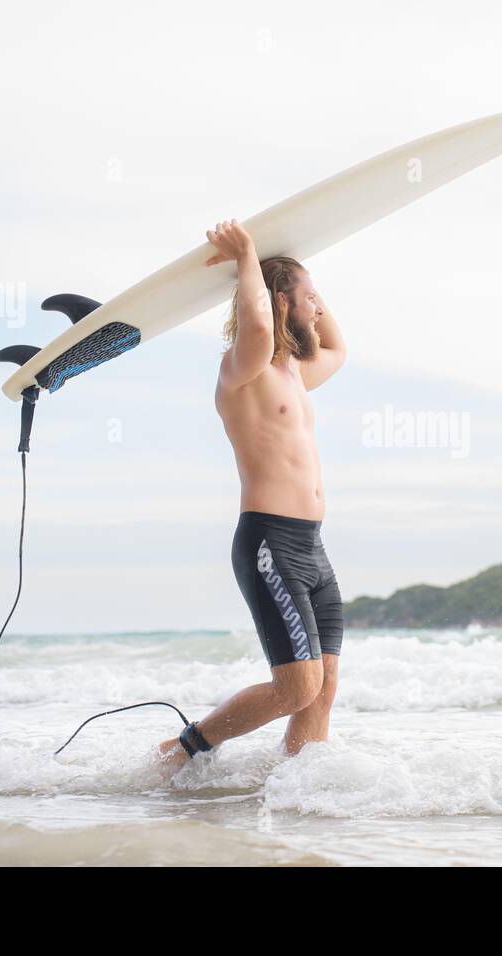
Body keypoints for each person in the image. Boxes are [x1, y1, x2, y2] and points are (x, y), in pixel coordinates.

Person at [156, 219, 347, 769]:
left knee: (324, 684)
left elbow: (337, 346)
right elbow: (260, 328)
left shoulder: (293, 374)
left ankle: (298, 789)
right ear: (278, 301)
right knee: (296, 686)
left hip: (314, 547)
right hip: (270, 543)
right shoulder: (243, 369)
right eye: (309, 298)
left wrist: (306, 286)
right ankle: (181, 750)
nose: (318, 308)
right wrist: (247, 258)